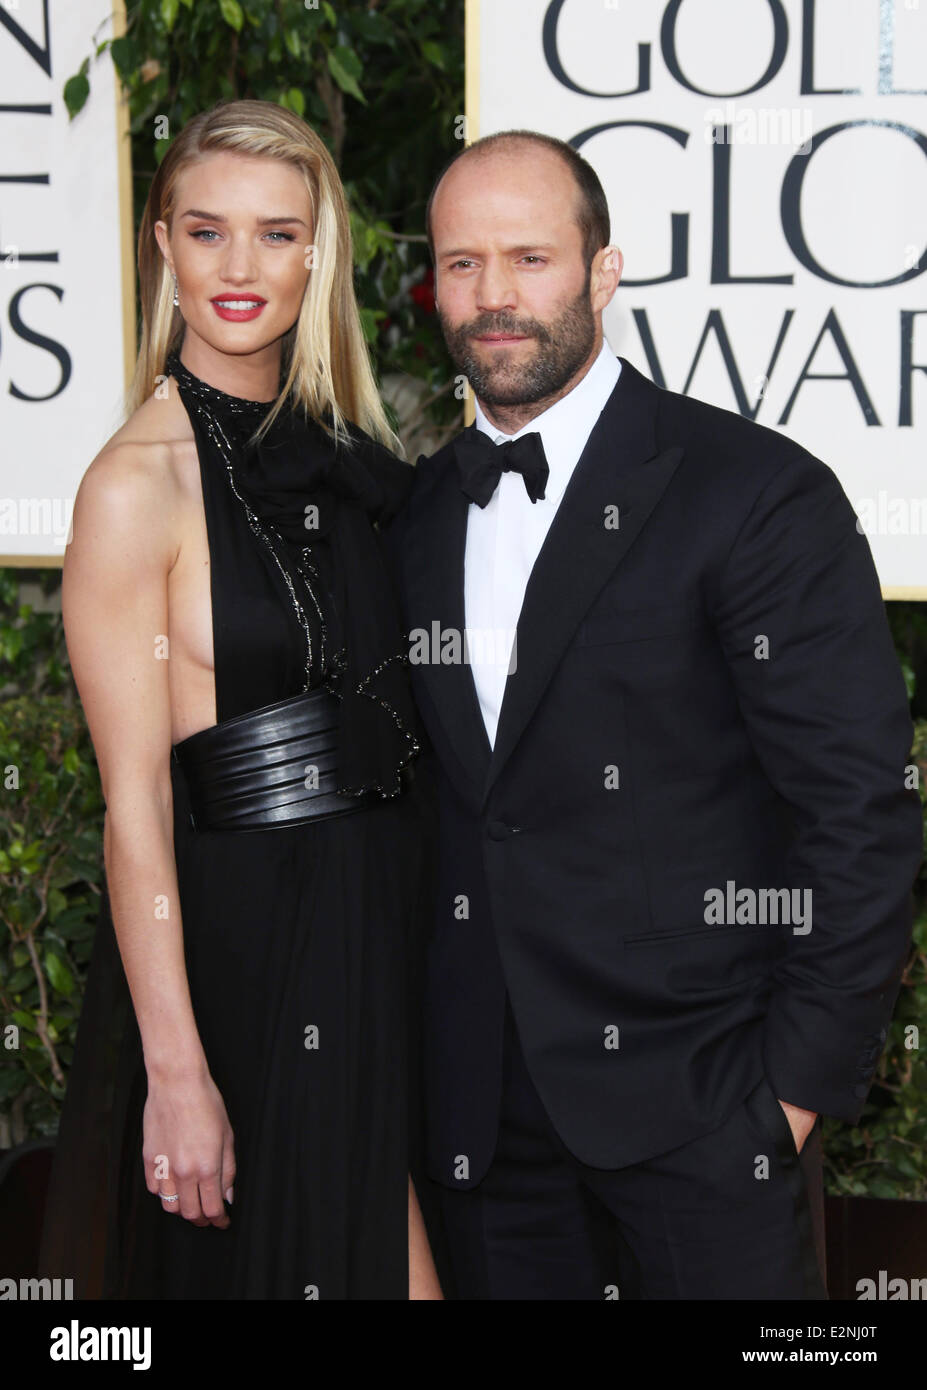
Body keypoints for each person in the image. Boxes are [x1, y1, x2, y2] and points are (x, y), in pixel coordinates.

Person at [386, 129, 924, 1300]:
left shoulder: (752, 492)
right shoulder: (421, 513)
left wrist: (782, 1103)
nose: (494, 298)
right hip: (487, 1129)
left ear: (605, 269)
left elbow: (858, 813)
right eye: (463, 264)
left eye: (530, 258)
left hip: (703, 1111)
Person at [38, 99, 442, 1300]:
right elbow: (133, 813)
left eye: (277, 233)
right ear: (162, 241)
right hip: (258, 953)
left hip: (396, 926)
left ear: (317, 252)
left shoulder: (357, 456)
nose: (240, 267)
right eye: (207, 231)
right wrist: (176, 1069)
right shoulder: (133, 488)